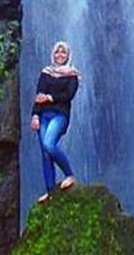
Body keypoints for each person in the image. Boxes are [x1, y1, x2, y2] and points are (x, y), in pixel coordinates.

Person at [30, 40, 80, 203]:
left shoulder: (72, 75)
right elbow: (39, 95)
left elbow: (68, 95)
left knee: (49, 145)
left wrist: (50, 97)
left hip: (60, 115)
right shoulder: (46, 73)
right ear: (53, 54)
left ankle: (69, 175)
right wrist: (35, 115)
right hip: (43, 116)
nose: (60, 55)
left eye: (63, 52)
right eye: (57, 52)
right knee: (45, 154)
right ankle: (50, 192)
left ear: (68, 55)